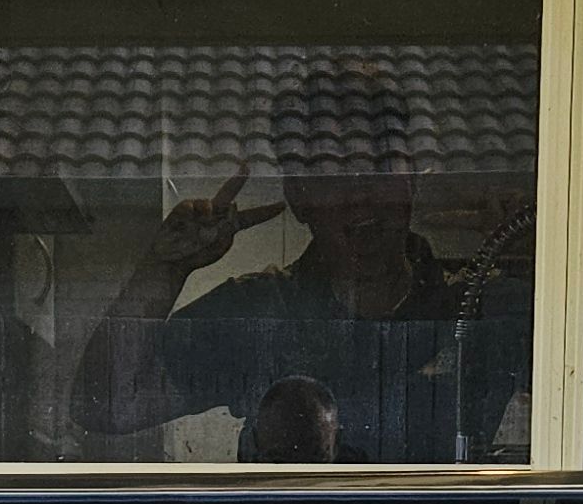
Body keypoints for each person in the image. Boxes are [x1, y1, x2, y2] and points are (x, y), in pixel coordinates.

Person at [76, 61, 528, 463]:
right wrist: (164, 269)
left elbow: (577, 387)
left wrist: (542, 248)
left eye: (378, 164)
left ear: (410, 176)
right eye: (331, 171)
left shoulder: (480, 306)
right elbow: (107, 408)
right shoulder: (256, 310)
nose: (359, 192)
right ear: (298, 196)